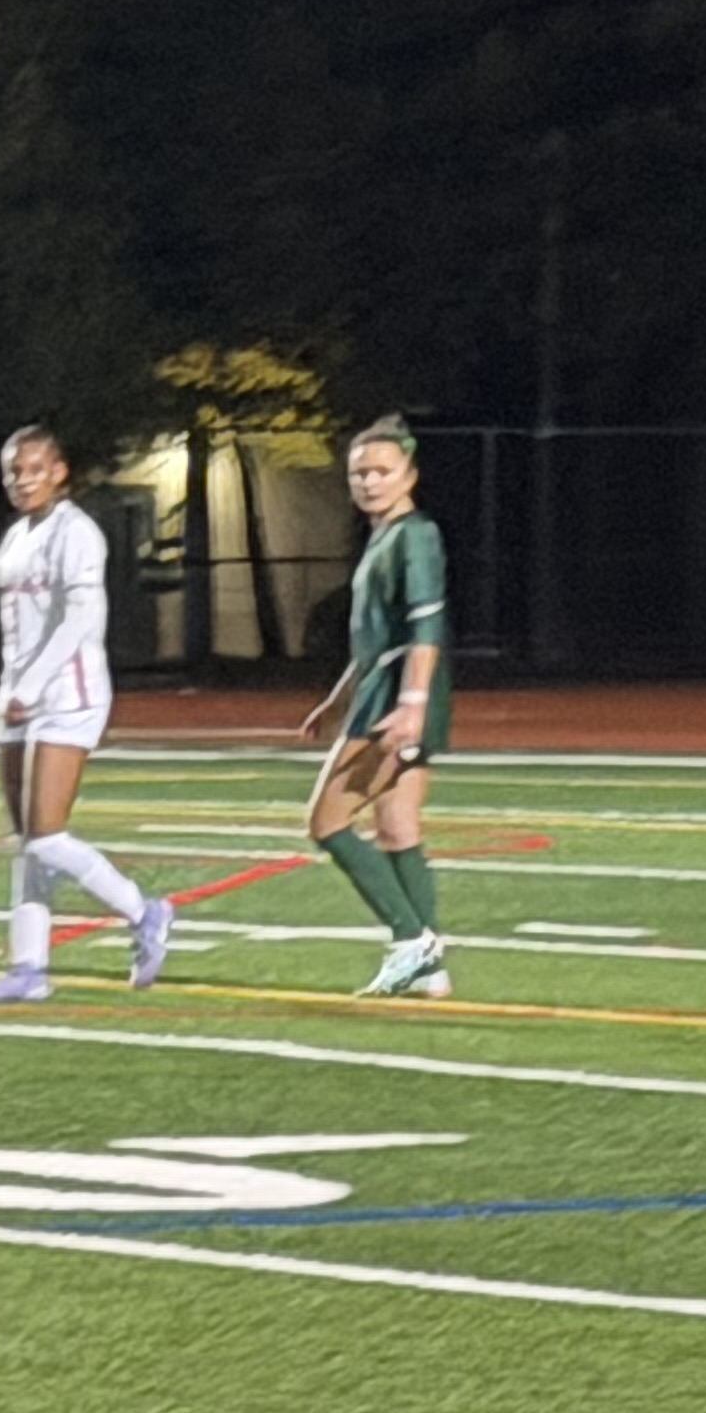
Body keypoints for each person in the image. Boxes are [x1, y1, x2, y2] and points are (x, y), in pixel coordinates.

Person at [0, 427, 173, 1004]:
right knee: (26, 838)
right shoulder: (14, 538)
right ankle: (29, 968)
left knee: (47, 833)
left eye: (33, 469)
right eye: (13, 472)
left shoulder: (76, 532)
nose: (22, 480)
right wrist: (10, 691)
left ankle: (143, 910)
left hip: (69, 694)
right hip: (21, 697)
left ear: (58, 471)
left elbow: (81, 620)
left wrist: (32, 684)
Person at [305, 414, 455, 998]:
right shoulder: (383, 537)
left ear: (409, 475)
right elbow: (372, 640)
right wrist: (335, 699)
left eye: (382, 470)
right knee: (396, 830)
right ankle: (430, 968)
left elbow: (426, 628)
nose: (369, 481)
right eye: (358, 472)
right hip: (385, 690)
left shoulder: (415, 535)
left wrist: (411, 705)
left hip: (398, 696)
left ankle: (409, 938)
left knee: (326, 821)